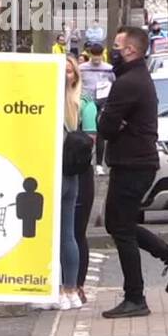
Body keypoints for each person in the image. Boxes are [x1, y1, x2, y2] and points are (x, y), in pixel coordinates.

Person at [99, 26, 168, 318]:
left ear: (130, 50)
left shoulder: (128, 82)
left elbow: (105, 127)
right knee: (119, 224)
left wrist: (114, 122)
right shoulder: (136, 78)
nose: (111, 50)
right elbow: (113, 124)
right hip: (135, 162)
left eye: (116, 45)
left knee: (120, 227)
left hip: (132, 164)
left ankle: (136, 297)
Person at [57, 56, 88, 311]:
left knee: (53, 236)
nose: (66, 75)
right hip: (73, 175)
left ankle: (57, 290)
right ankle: (72, 289)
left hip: (55, 173)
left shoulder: (52, 103)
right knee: (68, 235)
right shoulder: (82, 102)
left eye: (68, 71)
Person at [73, 65, 99, 306]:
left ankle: (78, 285)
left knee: (77, 232)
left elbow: (89, 142)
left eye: (70, 72)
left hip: (79, 174)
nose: (65, 76)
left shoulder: (85, 104)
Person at [79, 43, 114, 175]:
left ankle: (99, 164)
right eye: (94, 56)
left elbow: (114, 83)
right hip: (86, 102)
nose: (96, 59)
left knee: (99, 134)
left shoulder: (108, 69)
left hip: (101, 102)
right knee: (85, 133)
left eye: (98, 56)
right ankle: (85, 160)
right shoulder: (82, 68)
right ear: (90, 55)